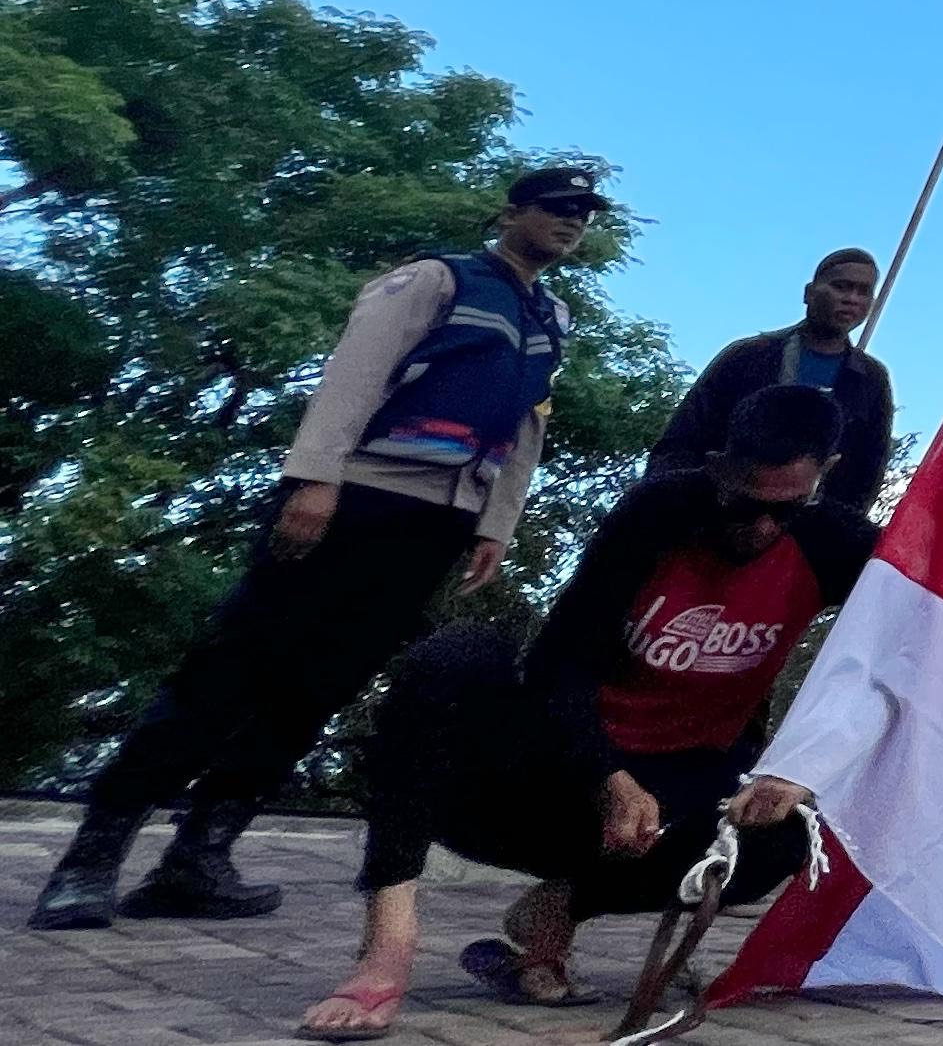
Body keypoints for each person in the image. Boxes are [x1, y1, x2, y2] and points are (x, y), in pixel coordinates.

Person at [26, 165, 606, 934]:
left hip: (436, 520)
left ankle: (199, 854)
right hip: (355, 495)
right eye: (557, 208)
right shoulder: (438, 278)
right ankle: (91, 858)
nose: (571, 221)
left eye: (584, 214)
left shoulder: (551, 314)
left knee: (314, 687)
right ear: (512, 212)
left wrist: (498, 518)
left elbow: (527, 422)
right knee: (229, 669)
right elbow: (353, 375)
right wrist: (313, 478)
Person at [295, 384, 875, 1039]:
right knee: (455, 657)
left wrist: (801, 768)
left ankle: (561, 910)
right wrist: (606, 775)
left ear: (822, 478)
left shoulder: (837, 543)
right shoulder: (658, 512)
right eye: (744, 504)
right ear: (719, 466)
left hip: (674, 799)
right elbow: (557, 664)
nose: (762, 528)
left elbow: (925, 630)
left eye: (786, 510)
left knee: (788, 832)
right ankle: (387, 941)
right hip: (555, 773)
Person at [646, 246, 898, 514]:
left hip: (806, 534)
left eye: (863, 291)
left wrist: (834, 533)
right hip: (721, 515)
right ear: (809, 293)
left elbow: (866, 472)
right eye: (841, 287)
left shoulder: (871, 380)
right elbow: (681, 441)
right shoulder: (748, 357)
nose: (851, 299)